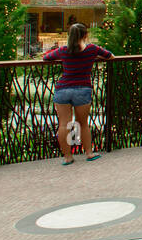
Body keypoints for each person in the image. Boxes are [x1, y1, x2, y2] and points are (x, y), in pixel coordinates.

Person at [42, 22, 113, 165]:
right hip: (82, 89)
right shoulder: (92, 49)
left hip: (62, 89)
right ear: (85, 35)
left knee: (63, 124)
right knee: (83, 123)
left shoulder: (63, 50)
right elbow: (110, 56)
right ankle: (89, 153)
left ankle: (68, 157)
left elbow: (46, 57)